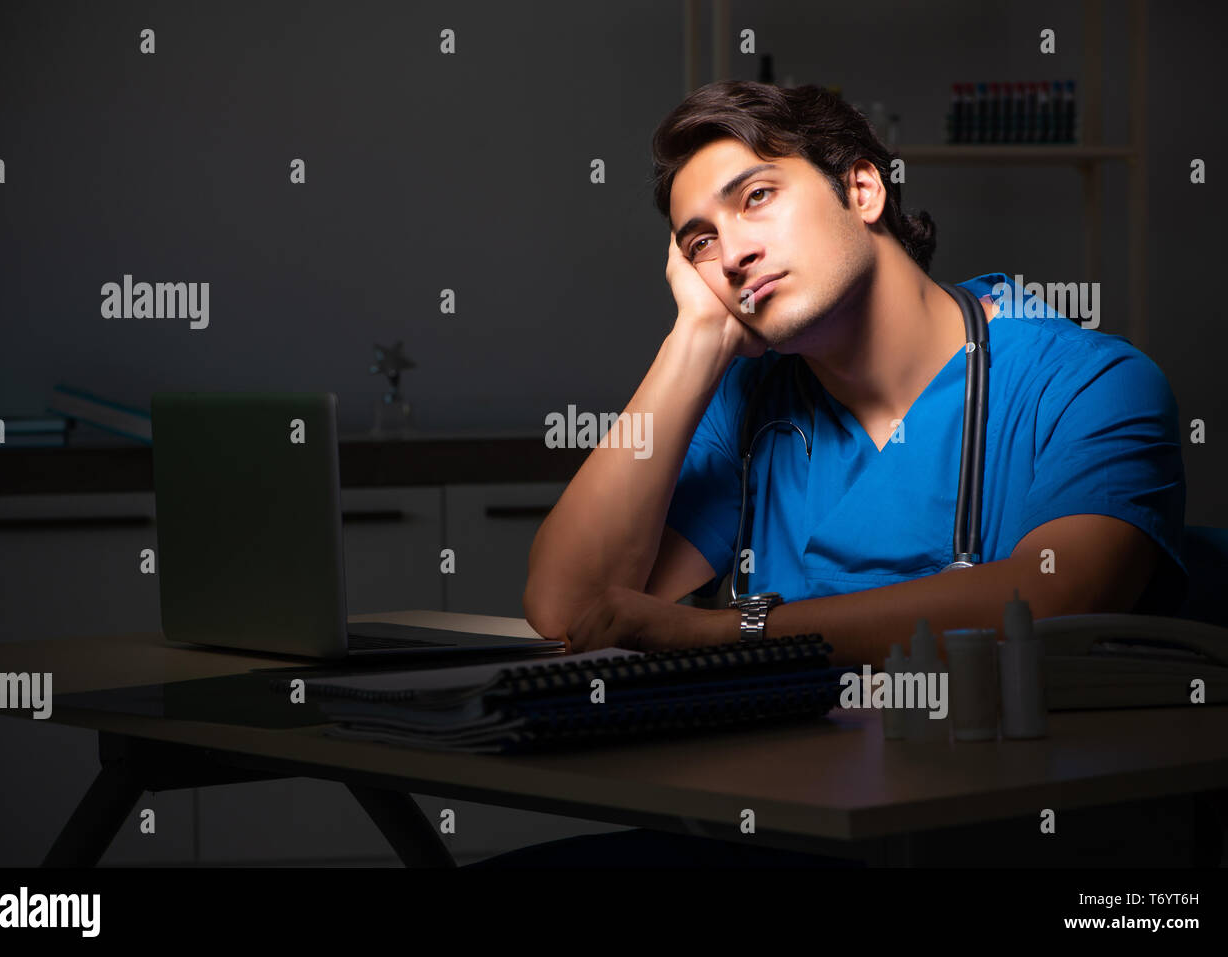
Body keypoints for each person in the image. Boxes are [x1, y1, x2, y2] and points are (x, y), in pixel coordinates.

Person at [486, 81, 1185, 868]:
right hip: (780, 826)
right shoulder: (750, 406)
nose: (734, 251)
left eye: (756, 197)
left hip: (1001, 843)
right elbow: (567, 609)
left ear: (862, 188)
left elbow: (1059, 595)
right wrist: (697, 337)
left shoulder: (1087, 383)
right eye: (700, 242)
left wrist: (728, 632)